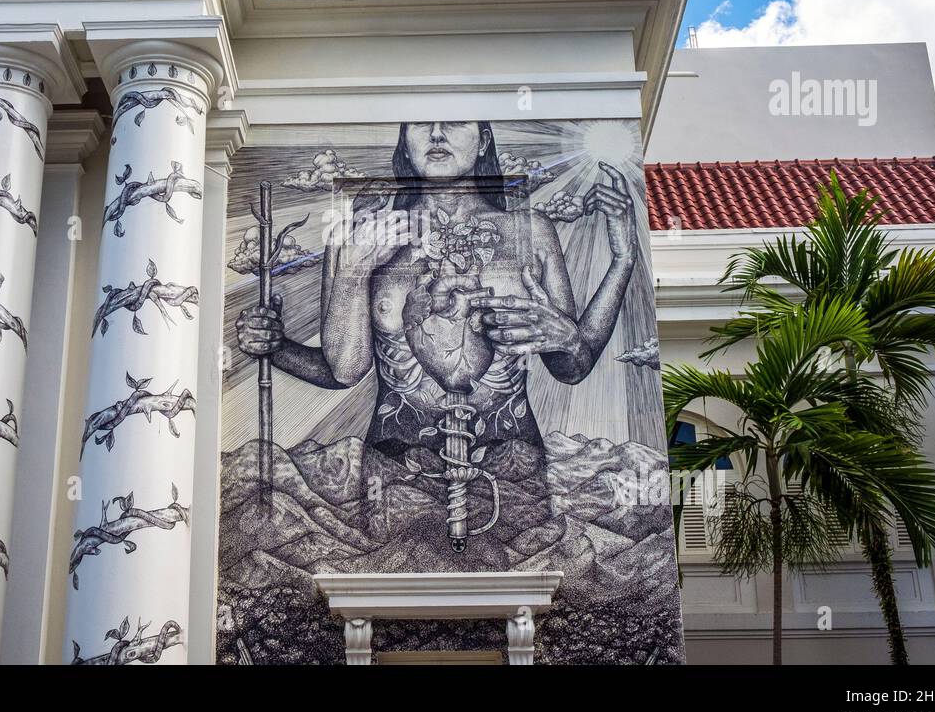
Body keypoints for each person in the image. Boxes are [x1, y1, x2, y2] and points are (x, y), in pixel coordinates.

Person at [236, 121, 637, 542]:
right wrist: (277, 345)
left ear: (484, 140)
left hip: (512, 471)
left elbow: (571, 367)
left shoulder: (531, 231)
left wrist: (621, 262)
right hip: (393, 479)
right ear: (404, 143)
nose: (438, 133)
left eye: (456, 121)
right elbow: (344, 369)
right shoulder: (360, 232)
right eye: (422, 124)